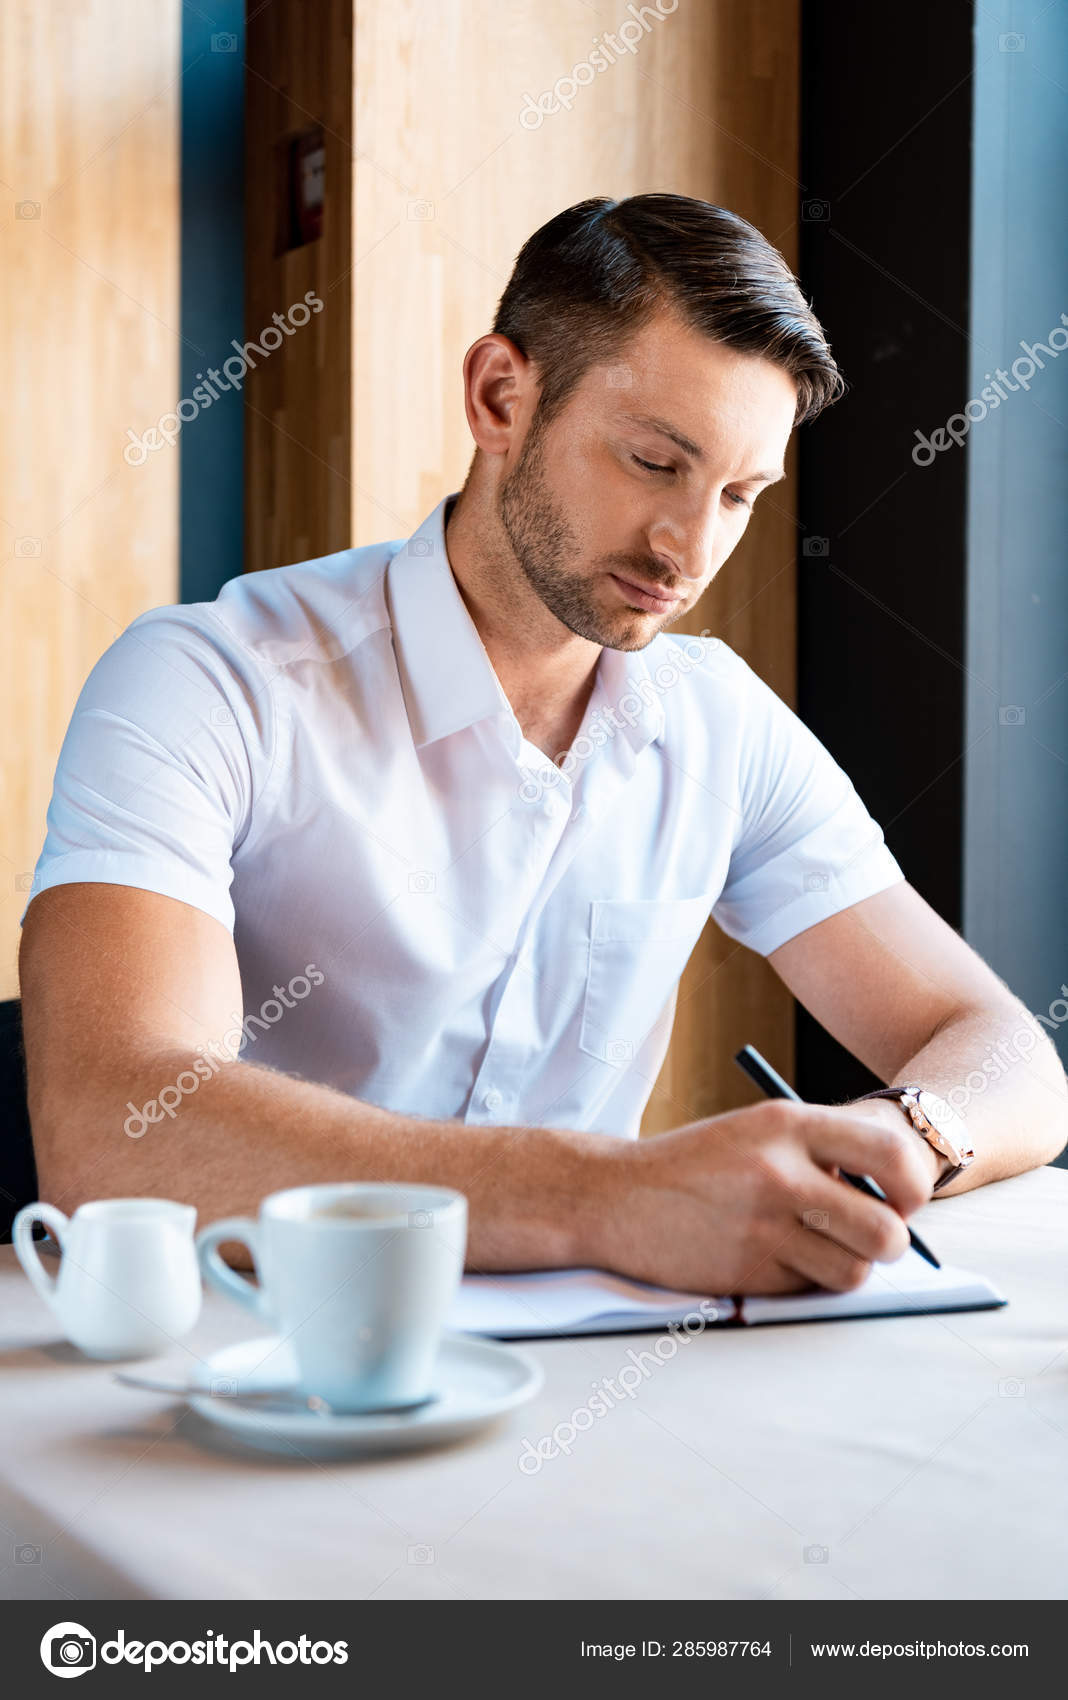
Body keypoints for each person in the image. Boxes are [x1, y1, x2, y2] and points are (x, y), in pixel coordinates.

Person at [19, 195, 1066, 1296]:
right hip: (253, 1366)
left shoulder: (722, 725)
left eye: (741, 496)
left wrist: (900, 1142)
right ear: (499, 396)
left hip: (578, 1380)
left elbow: (1003, 1048)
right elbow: (115, 1126)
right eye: (655, 462)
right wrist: (609, 1193)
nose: (689, 548)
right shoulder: (209, 682)